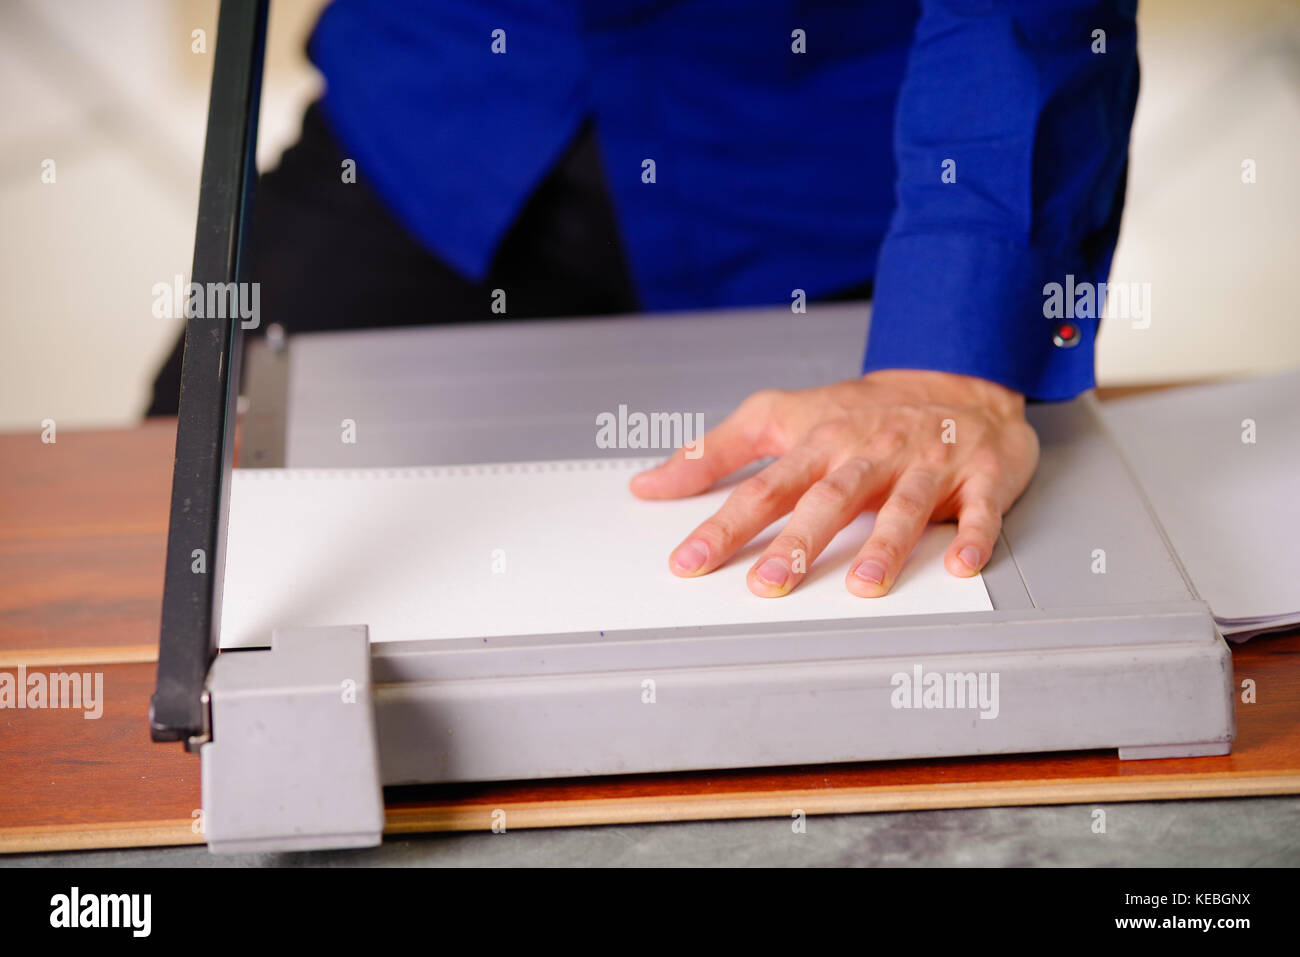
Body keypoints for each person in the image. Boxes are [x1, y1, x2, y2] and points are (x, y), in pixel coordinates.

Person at [149, 0, 1139, 599]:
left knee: (931, 593)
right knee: (146, 521)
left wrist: (946, 352)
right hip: (447, 110)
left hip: (840, 157)